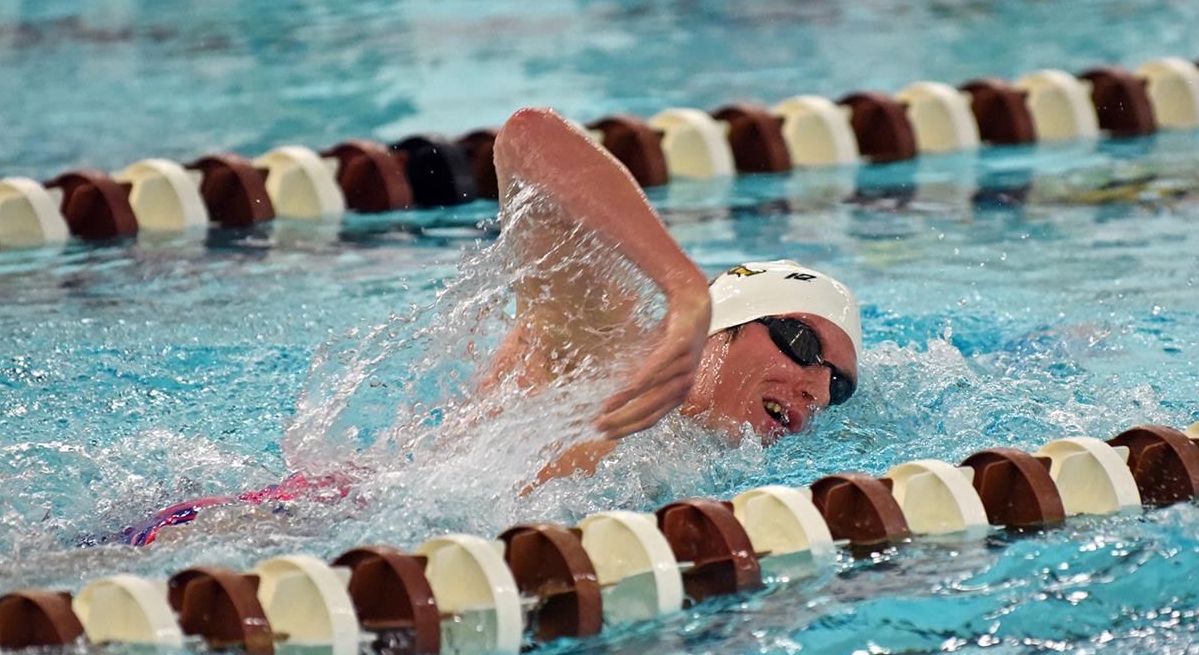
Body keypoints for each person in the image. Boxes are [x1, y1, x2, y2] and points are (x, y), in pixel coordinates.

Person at [109, 107, 861, 545]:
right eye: (799, 342)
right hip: (291, 524)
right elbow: (528, 138)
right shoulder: (612, 343)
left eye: (837, 385)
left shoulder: (695, 462)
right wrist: (684, 294)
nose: (814, 388)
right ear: (727, 326)